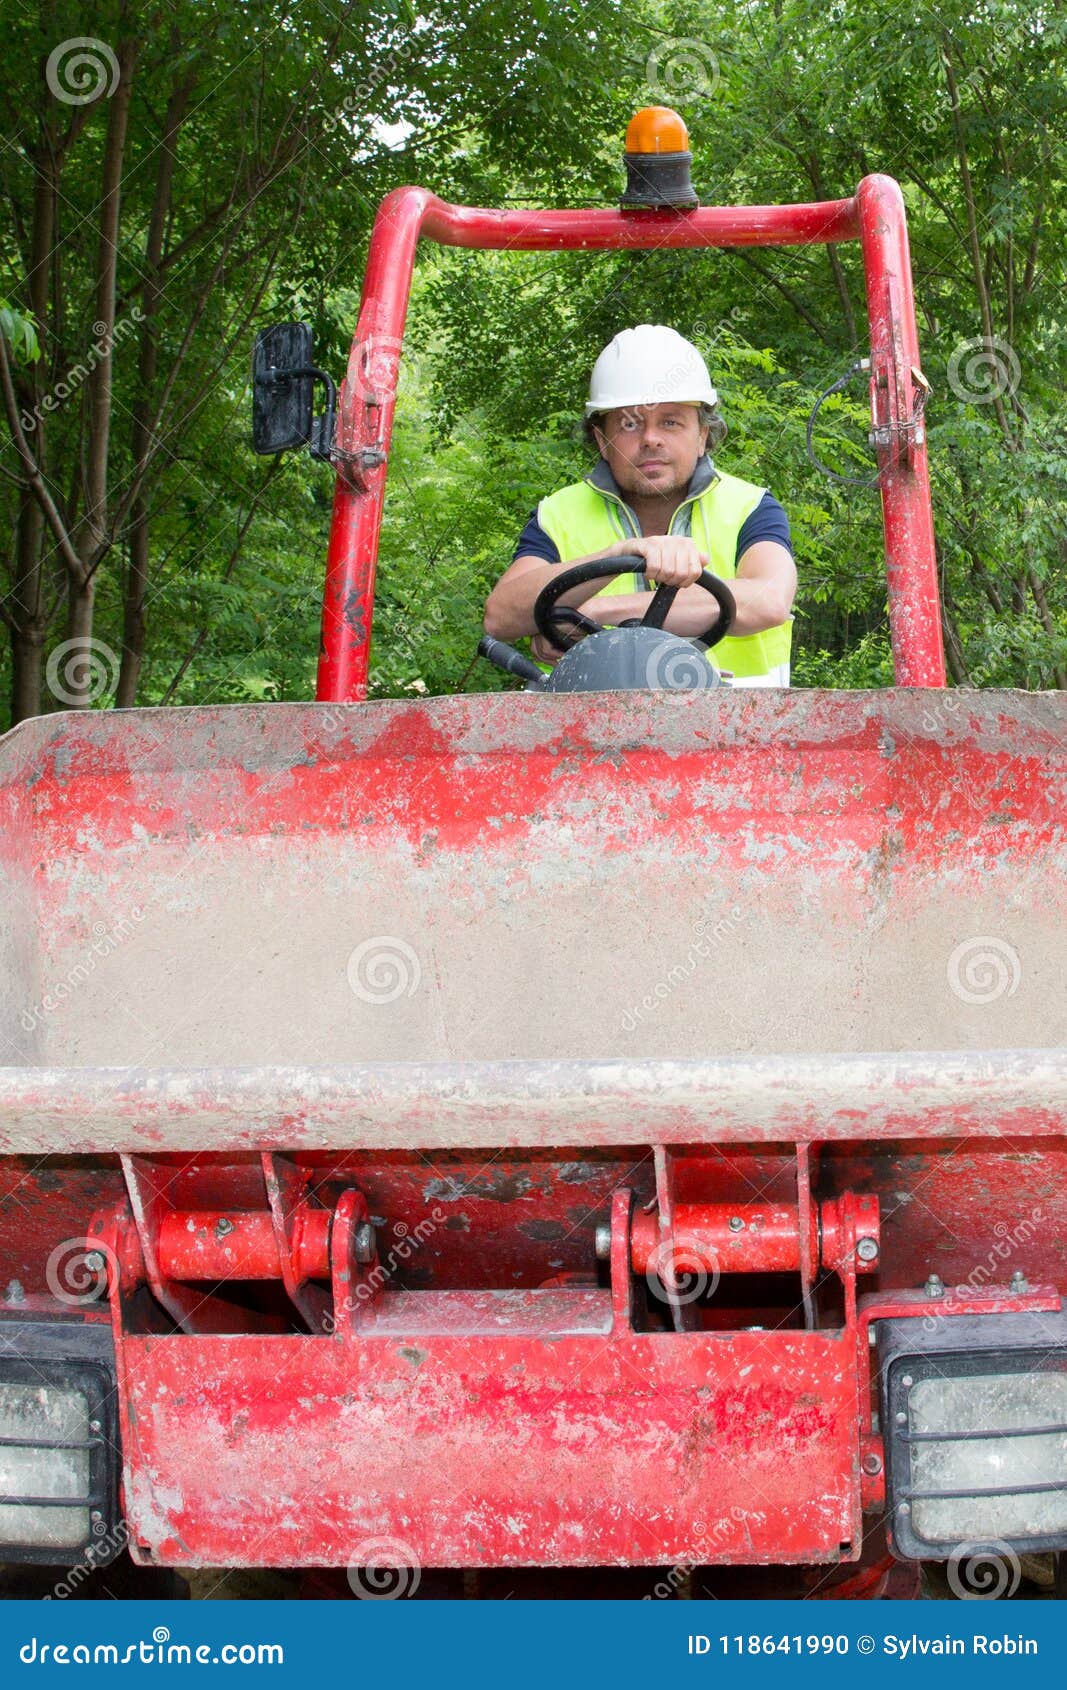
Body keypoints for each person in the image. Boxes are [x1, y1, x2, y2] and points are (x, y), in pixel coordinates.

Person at [483, 325, 797, 685]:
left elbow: (768, 599)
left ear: (701, 436)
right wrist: (617, 555)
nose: (650, 439)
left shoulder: (750, 506)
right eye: (630, 424)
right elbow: (500, 617)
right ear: (602, 440)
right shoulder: (558, 514)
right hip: (592, 736)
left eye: (670, 422)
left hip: (742, 732)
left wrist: (596, 614)